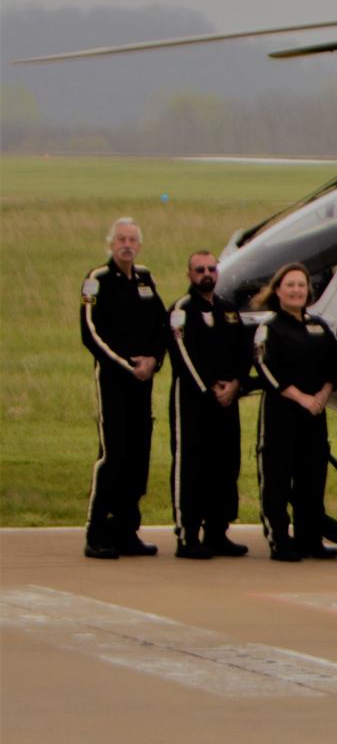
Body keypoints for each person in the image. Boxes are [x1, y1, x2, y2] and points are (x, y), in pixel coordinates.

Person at [79, 218, 169, 560]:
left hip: (142, 382)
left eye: (132, 239)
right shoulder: (97, 280)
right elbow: (89, 332)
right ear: (110, 244)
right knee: (114, 456)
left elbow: (162, 325)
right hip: (114, 382)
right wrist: (126, 366)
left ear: (139, 245)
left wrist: (154, 361)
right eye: (120, 239)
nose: (126, 245)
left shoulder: (145, 277)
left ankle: (126, 531)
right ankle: (97, 532)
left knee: (137, 457)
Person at [251, 263, 337, 562]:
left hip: (315, 414)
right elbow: (266, 369)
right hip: (282, 413)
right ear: (278, 290)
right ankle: (279, 538)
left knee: (312, 478)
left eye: (301, 285)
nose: (296, 290)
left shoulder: (319, 326)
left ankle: (309, 539)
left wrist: (320, 397)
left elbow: (333, 367)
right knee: (278, 477)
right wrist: (301, 397)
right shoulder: (270, 327)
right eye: (290, 285)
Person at [165, 249, 248, 559]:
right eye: (199, 269)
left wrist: (236, 383)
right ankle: (187, 535)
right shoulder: (181, 310)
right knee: (192, 466)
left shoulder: (228, 310)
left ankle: (217, 532)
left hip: (227, 401)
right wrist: (211, 386)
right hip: (193, 402)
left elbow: (244, 349)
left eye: (211, 268)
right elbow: (183, 353)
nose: (206, 274)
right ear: (189, 275)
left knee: (225, 465)